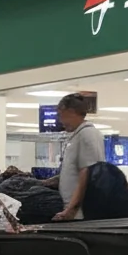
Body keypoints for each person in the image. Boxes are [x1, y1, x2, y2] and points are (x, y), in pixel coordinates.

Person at [52, 93, 104, 221]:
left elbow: (87, 173)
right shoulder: (77, 135)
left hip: (81, 213)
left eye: (60, 115)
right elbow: (75, 170)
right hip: (74, 211)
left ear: (70, 112)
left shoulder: (88, 134)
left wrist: (72, 209)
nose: (60, 121)